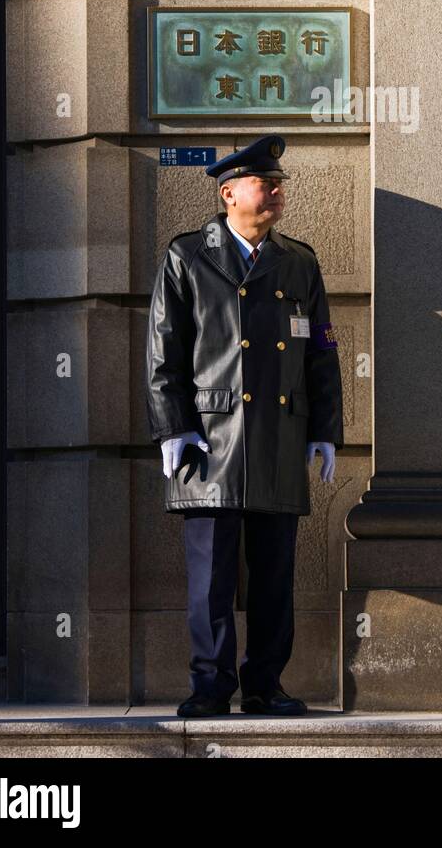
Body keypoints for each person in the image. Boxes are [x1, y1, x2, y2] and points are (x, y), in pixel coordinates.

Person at [145, 134, 344, 717]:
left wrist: (325, 428)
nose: (278, 192)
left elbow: (324, 347)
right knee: (211, 579)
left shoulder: (300, 262)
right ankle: (210, 687)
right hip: (211, 442)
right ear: (229, 193)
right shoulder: (188, 256)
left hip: (280, 437)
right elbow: (164, 349)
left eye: (280, 183)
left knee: (274, 576)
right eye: (266, 183)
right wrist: (172, 427)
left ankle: (265, 685)